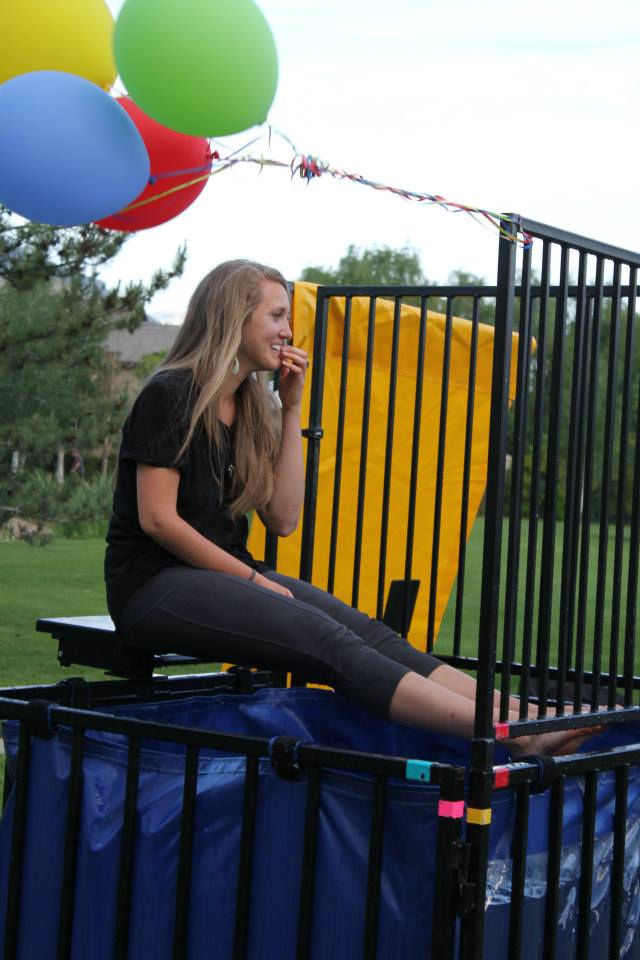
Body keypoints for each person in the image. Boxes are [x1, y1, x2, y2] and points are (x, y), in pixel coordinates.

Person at [105, 260, 594, 758]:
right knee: (325, 640)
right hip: (152, 584)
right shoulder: (171, 394)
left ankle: (524, 715)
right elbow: (158, 519)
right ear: (234, 316)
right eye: (276, 316)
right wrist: (255, 582)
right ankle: (502, 734)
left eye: (288, 318)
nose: (287, 330)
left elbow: (284, 518)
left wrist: (291, 408)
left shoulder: (252, 405)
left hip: (226, 575)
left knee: (371, 633)